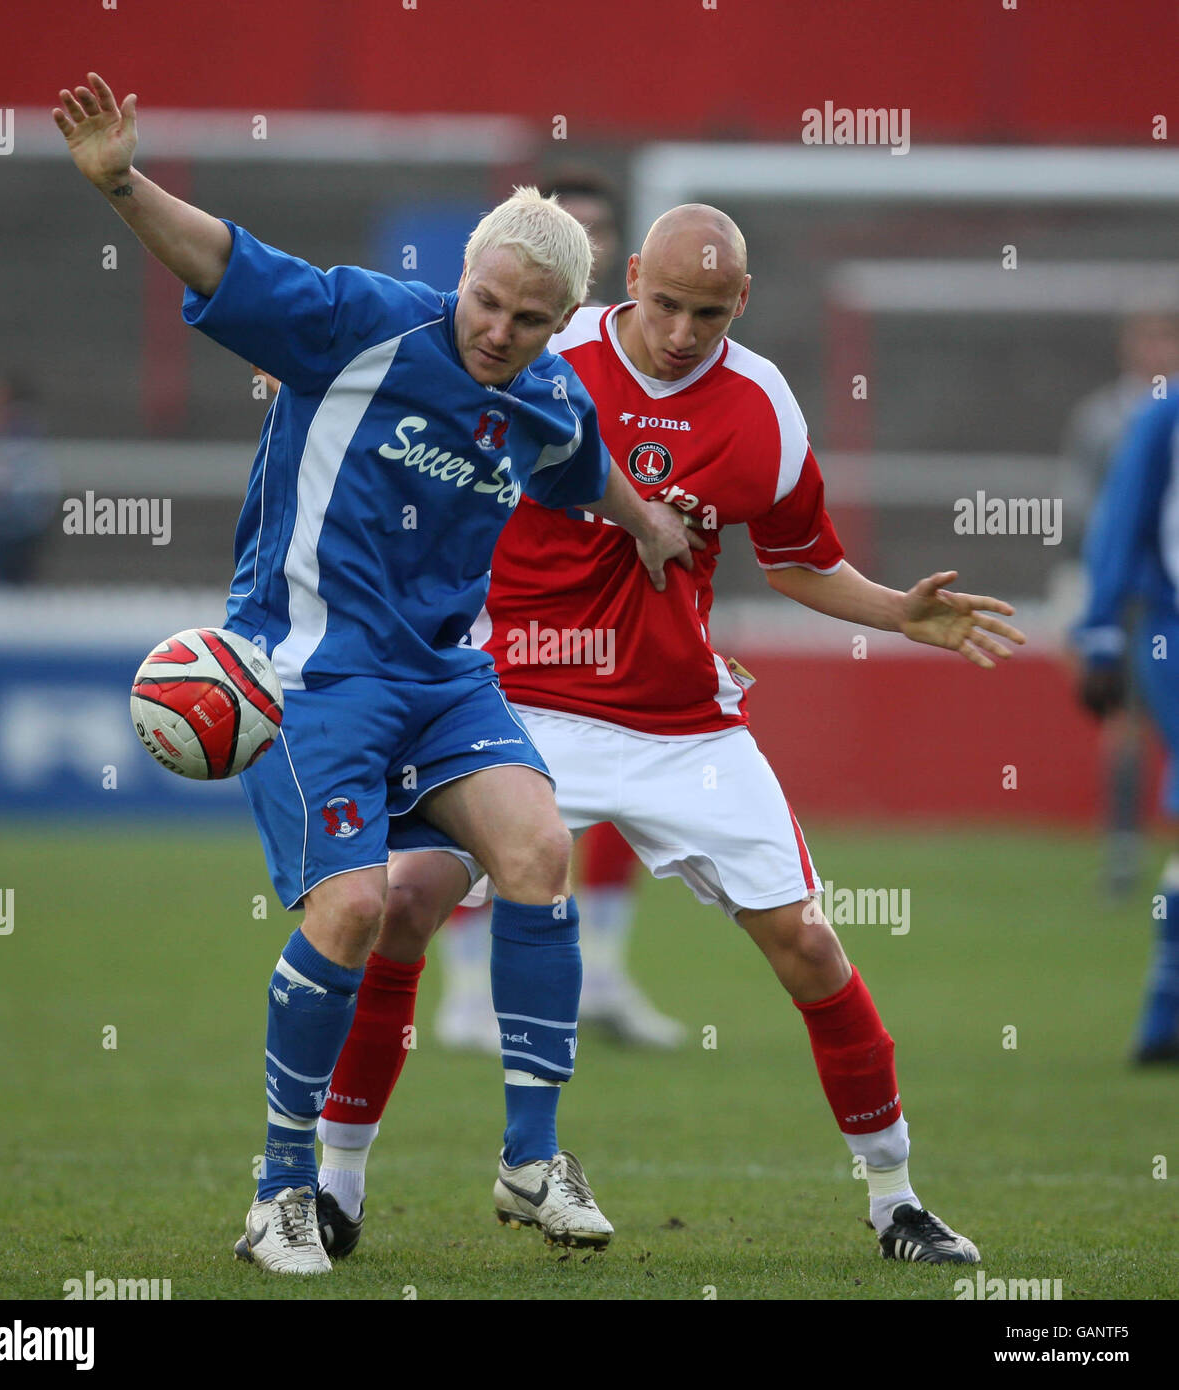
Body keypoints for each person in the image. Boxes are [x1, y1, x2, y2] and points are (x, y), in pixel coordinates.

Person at [52, 72, 696, 1271]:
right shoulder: (360, 322)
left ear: (562, 324)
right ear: (463, 275)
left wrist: (645, 520)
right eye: (487, 302)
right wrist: (125, 184)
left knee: (539, 852)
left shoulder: (547, 398)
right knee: (352, 907)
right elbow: (227, 262)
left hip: (447, 676)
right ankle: (280, 1192)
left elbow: (580, 465)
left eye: (528, 319)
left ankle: (531, 1158)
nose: (497, 331)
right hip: (308, 671)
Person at [315, 203, 1026, 1264]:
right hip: (514, 703)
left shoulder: (764, 406)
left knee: (810, 945)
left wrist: (895, 611)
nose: (683, 332)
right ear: (630, 277)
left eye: (707, 312)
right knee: (405, 906)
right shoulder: (549, 351)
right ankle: (334, 1188)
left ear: (740, 302)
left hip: (680, 723)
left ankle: (897, 1201)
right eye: (663, 304)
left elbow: (793, 555)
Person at [435, 165, 684, 1052]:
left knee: (620, 794)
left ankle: (605, 977)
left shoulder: (652, 357)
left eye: (593, 232)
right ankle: (466, 992)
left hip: (620, 603)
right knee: (483, 790)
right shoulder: (491, 348)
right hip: (511, 604)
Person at [1071, 386, 1179, 1064]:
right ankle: (1162, 1017)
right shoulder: (1164, 418)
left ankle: (1164, 1016)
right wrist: (1102, 629)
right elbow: (1122, 520)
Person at [1062, 313, 1179, 898]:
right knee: (1121, 721)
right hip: (1131, 593)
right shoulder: (1112, 418)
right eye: (1147, 337)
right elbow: (1095, 505)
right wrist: (1100, 617)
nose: (1155, 349)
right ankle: (1124, 852)